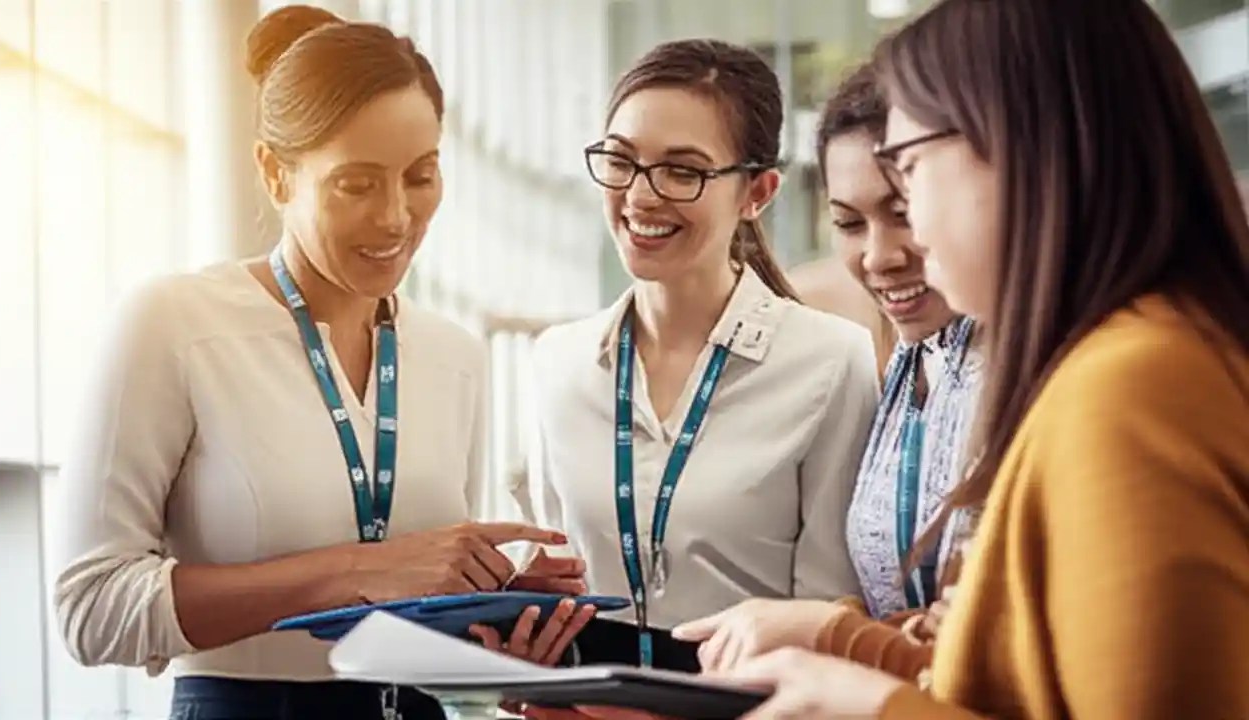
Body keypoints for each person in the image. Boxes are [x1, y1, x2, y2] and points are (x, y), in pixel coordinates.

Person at [710, 0, 1249, 717]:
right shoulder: (1122, 362)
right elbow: (1021, 681)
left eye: (910, 171)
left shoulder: (1131, 386)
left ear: (1023, 147)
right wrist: (838, 638)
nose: (907, 232)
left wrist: (871, 707)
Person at [46, 7, 588, 720]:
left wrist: (499, 621)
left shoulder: (452, 355)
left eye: (420, 175)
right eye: (357, 185)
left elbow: (420, 624)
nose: (397, 217)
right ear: (275, 173)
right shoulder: (173, 323)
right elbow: (90, 611)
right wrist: (364, 571)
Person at [502, 39, 880, 673]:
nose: (641, 196)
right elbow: (557, 582)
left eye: (683, 171)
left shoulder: (831, 361)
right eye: (621, 161)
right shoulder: (556, 363)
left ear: (757, 192)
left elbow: (828, 611)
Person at [672, 63, 982, 676]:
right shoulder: (908, 356)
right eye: (848, 222)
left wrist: (826, 630)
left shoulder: (1038, 370)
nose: (878, 256)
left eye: (904, 211)